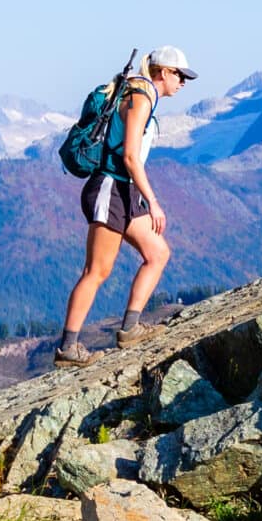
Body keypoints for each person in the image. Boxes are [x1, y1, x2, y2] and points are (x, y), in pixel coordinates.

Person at [53, 45, 197, 366]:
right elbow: (130, 156)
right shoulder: (141, 96)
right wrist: (155, 203)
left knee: (157, 253)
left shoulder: (141, 93)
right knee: (97, 271)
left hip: (124, 190)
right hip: (109, 187)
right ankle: (68, 348)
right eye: (180, 75)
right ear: (163, 72)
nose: (183, 83)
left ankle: (130, 329)